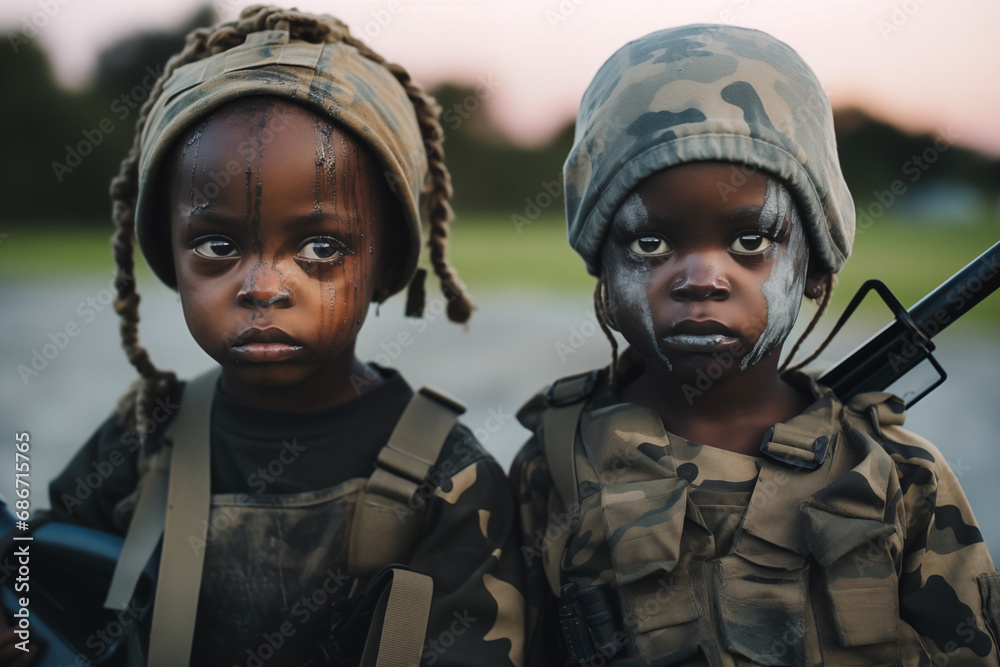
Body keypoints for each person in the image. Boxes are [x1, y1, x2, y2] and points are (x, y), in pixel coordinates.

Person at [25, 6, 524, 666]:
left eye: (322, 246)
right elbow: (44, 580)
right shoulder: (142, 441)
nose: (262, 285)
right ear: (168, 257)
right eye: (217, 244)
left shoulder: (449, 477)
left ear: (388, 263)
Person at [511, 24, 1000, 666]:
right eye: (651, 243)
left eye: (751, 241)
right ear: (602, 268)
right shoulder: (556, 462)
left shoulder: (898, 474)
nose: (701, 278)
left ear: (817, 267)